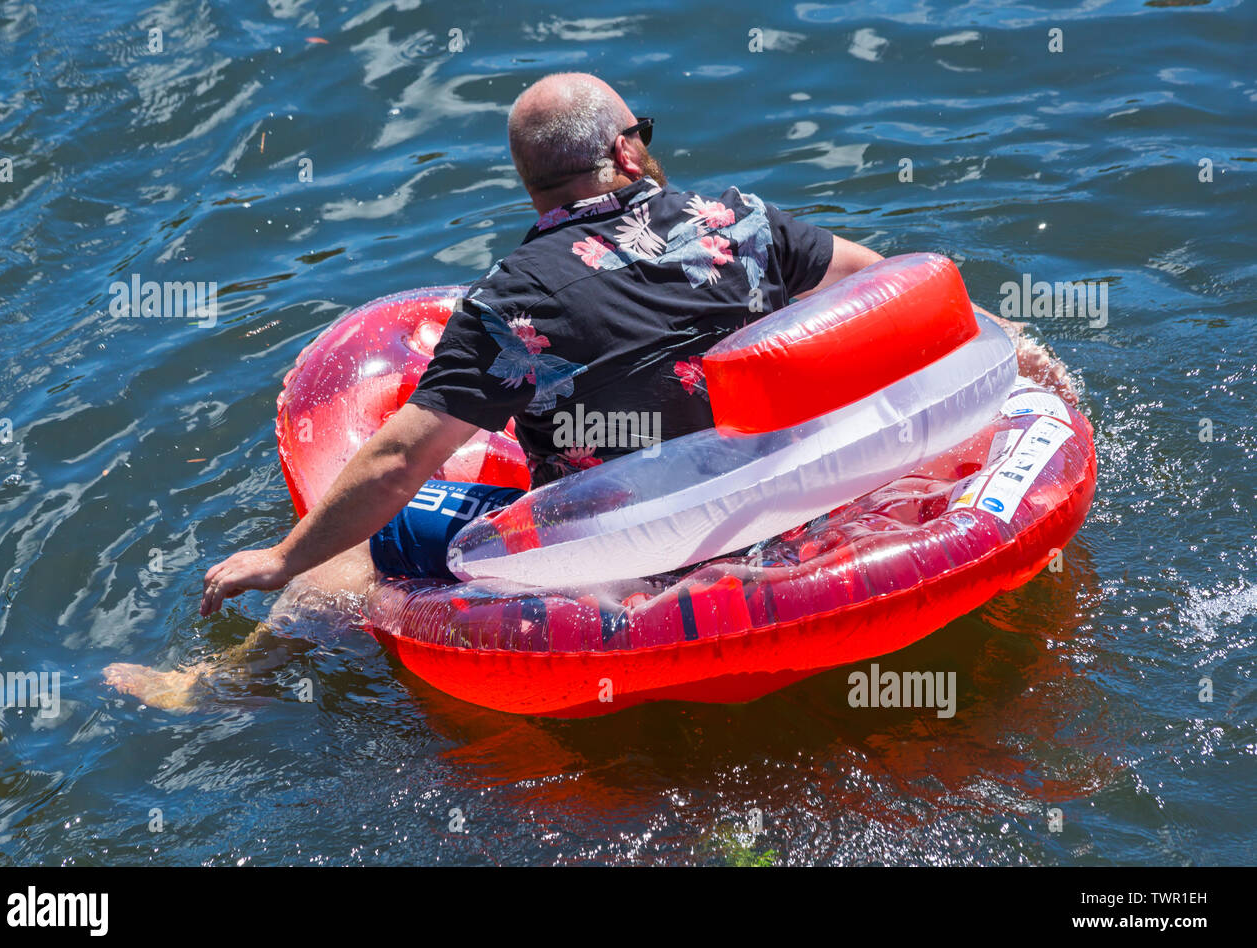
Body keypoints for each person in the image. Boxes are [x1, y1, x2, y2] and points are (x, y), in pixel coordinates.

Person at [105, 72, 1074, 710]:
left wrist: (279, 556)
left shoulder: (515, 300)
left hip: (618, 558)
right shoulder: (736, 220)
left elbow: (400, 456)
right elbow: (887, 286)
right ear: (622, 152)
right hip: (799, 508)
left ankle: (215, 683)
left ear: (535, 186)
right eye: (640, 135)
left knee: (352, 542)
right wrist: (1017, 357)